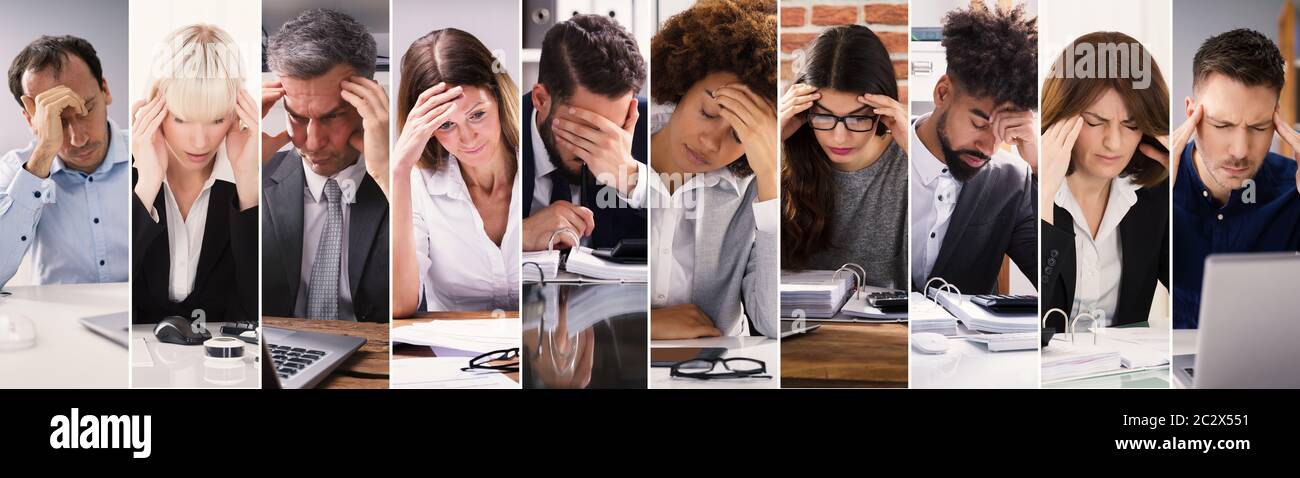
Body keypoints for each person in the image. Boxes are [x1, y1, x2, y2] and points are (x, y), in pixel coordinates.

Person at [648, 0, 778, 339]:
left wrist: (769, 179)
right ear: (683, 84)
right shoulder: (619, 151)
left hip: (716, 371)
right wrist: (648, 326)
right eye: (708, 112)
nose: (710, 143)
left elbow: (772, 321)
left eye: (739, 134)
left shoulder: (757, 189)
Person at [1162, 29, 1300, 328]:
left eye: (1260, 127)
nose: (1240, 151)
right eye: (1222, 124)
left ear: (1277, 118)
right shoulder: (1156, 187)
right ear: (1191, 114)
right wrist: (1154, 196)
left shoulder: (1294, 191)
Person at [261, 8, 391, 322]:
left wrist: (389, 174)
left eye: (332, 116)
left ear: (369, 99)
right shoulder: (257, 176)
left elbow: (423, 300)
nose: (313, 141)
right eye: (297, 117)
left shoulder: (406, 181)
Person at [1039, 32, 1170, 330]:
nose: (1113, 143)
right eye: (1095, 122)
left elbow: (1197, 302)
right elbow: (1031, 318)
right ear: (1061, 117)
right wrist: (1045, 194)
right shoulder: (1030, 189)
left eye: (1131, 125)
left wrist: (1187, 187)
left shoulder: (1155, 195)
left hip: (1127, 374)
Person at [131, 24, 258, 324]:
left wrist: (247, 182)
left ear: (237, 112)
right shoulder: (129, 178)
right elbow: (113, 302)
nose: (200, 142)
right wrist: (146, 185)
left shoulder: (250, 183)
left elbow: (255, 315)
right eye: (182, 119)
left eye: (216, 119)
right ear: (154, 110)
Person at [910, 3, 1038, 295]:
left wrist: (1040, 168)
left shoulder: (1014, 181)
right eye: (980, 124)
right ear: (943, 93)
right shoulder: (888, 159)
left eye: (1004, 130)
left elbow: (1056, 284)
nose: (989, 148)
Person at [391, 28, 521, 315]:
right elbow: (400, 304)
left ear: (498, 99)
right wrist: (399, 171)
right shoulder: (417, 184)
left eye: (477, 115)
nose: (468, 138)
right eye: (446, 125)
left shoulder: (538, 167)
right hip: (454, 357)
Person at [780, 24, 908, 290]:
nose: (839, 137)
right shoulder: (782, 154)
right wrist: (770, 140)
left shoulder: (907, 162)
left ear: (882, 111)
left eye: (858, 117)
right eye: (824, 116)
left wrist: (915, 152)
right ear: (804, 112)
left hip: (889, 328)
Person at [0, 35, 128, 288]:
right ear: (31, 120)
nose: (78, 140)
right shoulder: (17, 170)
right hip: (58, 323)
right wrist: (43, 156)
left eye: (87, 109)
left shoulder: (149, 153)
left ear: (105, 90)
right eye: (58, 120)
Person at [522, 13, 647, 252]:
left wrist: (632, 178)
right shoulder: (499, 132)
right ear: (541, 99)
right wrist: (521, 233)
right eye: (584, 129)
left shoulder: (649, 128)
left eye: (614, 130)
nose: (597, 148)